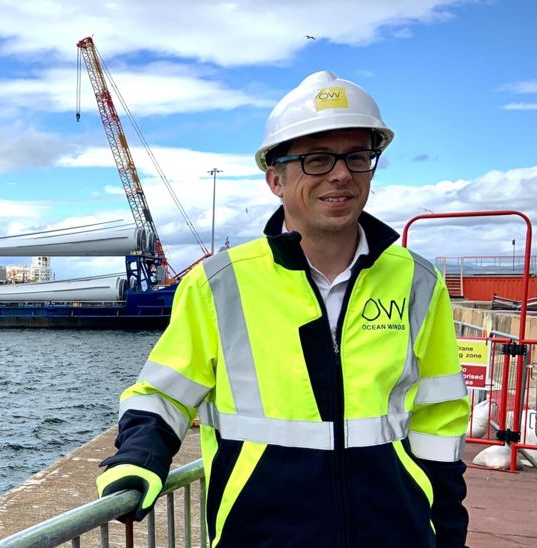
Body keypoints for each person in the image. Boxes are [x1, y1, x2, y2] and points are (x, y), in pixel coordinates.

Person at [96, 70, 470, 547]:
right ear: (275, 178)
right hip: (261, 537)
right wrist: (137, 461)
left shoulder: (418, 281)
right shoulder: (219, 284)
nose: (341, 174)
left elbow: (438, 414)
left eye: (357, 157)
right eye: (317, 160)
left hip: (398, 534)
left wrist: (448, 528)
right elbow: (163, 394)